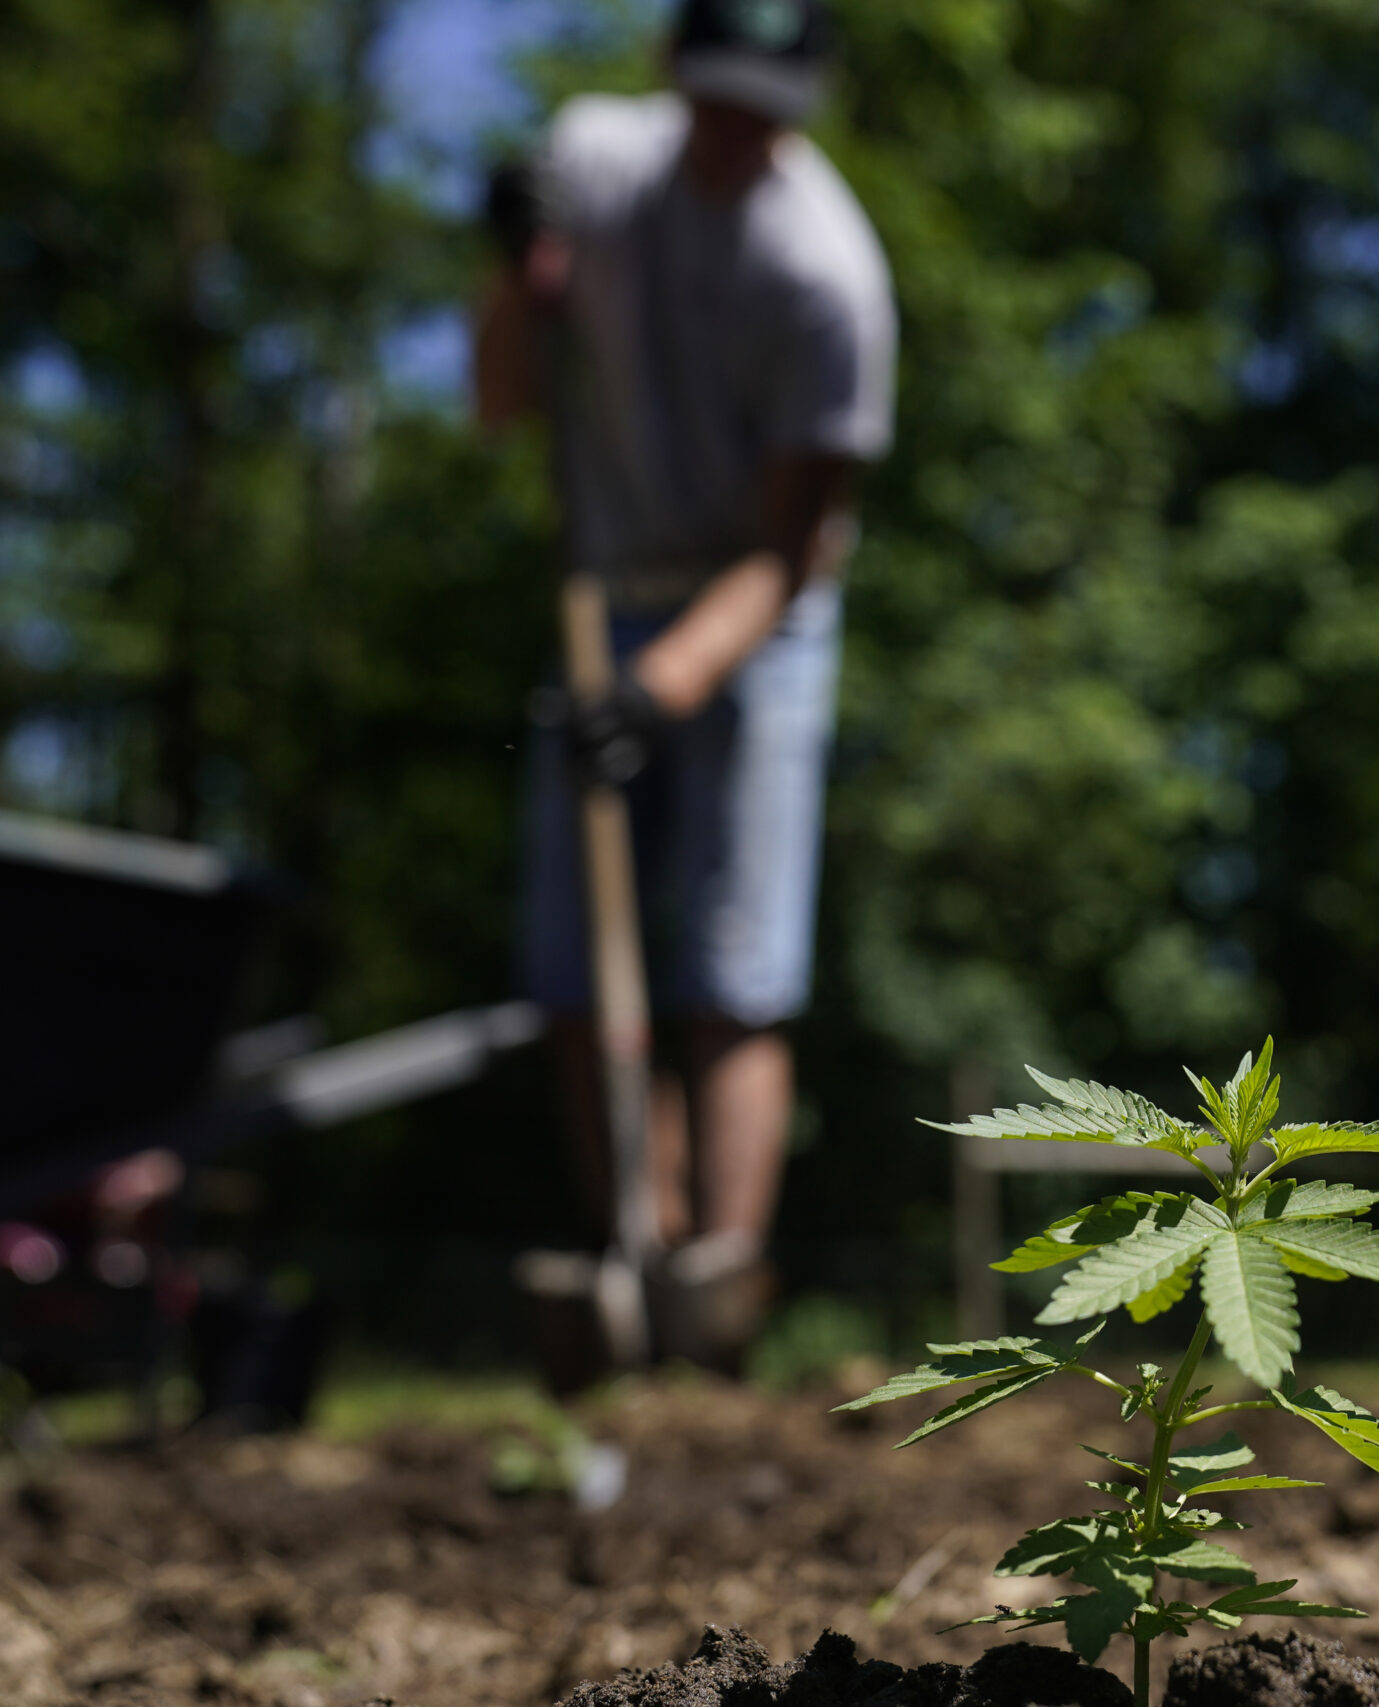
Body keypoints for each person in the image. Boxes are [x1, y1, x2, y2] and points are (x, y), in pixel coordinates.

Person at [473, 0, 895, 1368]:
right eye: (715, 101)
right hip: (602, 595)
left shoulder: (826, 277)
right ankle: (634, 1259)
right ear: (671, 74)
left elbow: (789, 550)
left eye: (763, 115)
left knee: (734, 968)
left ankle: (716, 1295)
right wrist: (514, 274)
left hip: (759, 613)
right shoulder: (590, 167)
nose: (733, 136)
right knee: (575, 971)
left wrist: (660, 687)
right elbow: (500, 399)